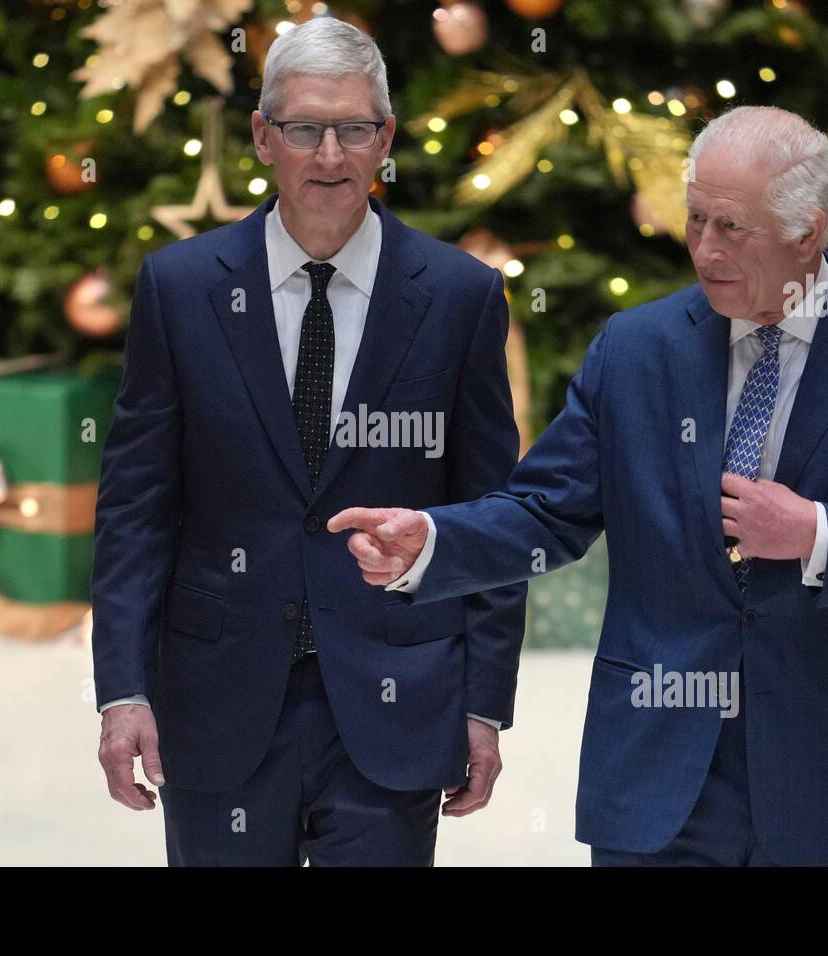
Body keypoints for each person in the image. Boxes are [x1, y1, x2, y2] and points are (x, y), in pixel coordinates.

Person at [330, 106, 828, 866]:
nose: (704, 250)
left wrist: (819, 535)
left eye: (731, 228)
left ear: (807, 234)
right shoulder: (635, 349)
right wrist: (436, 540)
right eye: (695, 221)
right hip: (657, 770)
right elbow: (547, 512)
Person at [90, 17, 526, 866]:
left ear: (386, 139)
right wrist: (123, 689)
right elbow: (136, 510)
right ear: (262, 136)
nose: (330, 157)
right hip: (216, 700)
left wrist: (483, 706)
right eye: (304, 130)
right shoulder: (180, 291)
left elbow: (490, 522)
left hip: (392, 704)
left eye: (354, 129)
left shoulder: (460, 298)